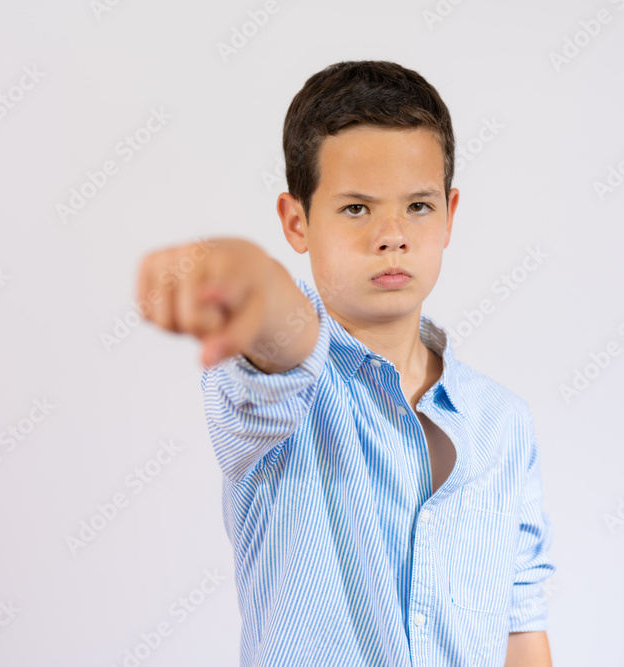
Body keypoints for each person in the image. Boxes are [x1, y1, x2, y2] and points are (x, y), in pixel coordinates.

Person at [136, 60, 555, 666]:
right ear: (295, 221)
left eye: (418, 206)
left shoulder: (504, 422)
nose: (392, 235)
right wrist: (252, 277)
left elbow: (522, 626)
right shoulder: (283, 394)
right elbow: (285, 344)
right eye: (356, 208)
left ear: (450, 214)